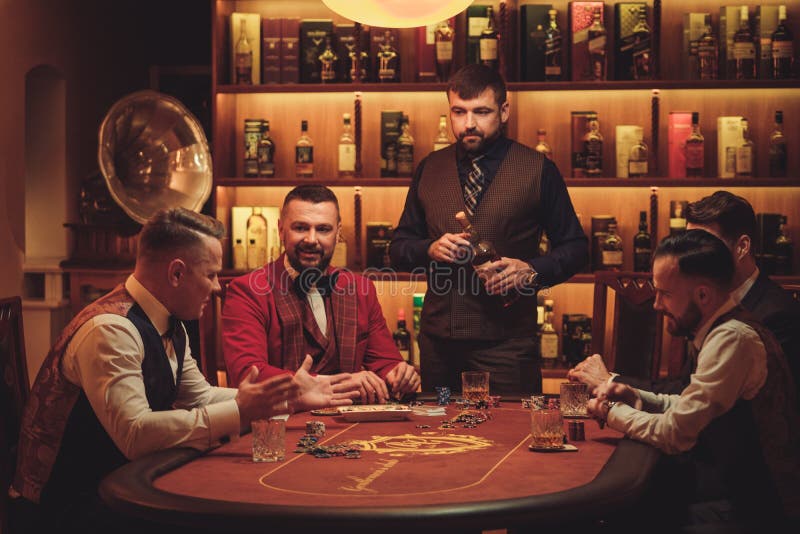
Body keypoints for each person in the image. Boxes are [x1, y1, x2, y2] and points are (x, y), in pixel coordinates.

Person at [9, 207, 355, 532]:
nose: (219, 287)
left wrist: (286, 397)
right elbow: (135, 435)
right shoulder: (110, 330)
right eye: (211, 275)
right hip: (70, 508)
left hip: (123, 487)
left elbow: (199, 397)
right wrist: (240, 411)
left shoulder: (169, 320)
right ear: (176, 272)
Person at [389, 64, 588, 395]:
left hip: (508, 347)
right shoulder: (429, 168)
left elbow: (577, 248)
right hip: (438, 347)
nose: (469, 123)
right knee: (437, 441)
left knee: (509, 441)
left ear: (504, 110)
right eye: (459, 112)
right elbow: (398, 247)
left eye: (481, 112)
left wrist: (531, 270)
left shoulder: (538, 170)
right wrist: (428, 249)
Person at [587, 229, 800, 527]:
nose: (656, 305)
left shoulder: (732, 339)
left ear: (702, 294)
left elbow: (675, 434)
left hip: (756, 512)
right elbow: (691, 403)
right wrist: (636, 397)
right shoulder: (723, 328)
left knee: (611, 518)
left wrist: (611, 411)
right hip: (737, 495)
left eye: (665, 294)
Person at [569, 190, 800, 395]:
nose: (688, 257)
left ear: (742, 247)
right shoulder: (708, 302)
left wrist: (609, 381)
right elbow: (683, 387)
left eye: (702, 245)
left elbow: (687, 394)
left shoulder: (777, 317)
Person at [222, 185, 420, 404]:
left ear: (338, 232)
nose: (311, 239)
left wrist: (399, 375)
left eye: (323, 229)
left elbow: (386, 363)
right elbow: (249, 376)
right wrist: (336, 384)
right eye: (300, 228)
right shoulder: (247, 290)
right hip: (280, 426)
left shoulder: (361, 289)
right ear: (280, 230)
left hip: (350, 428)